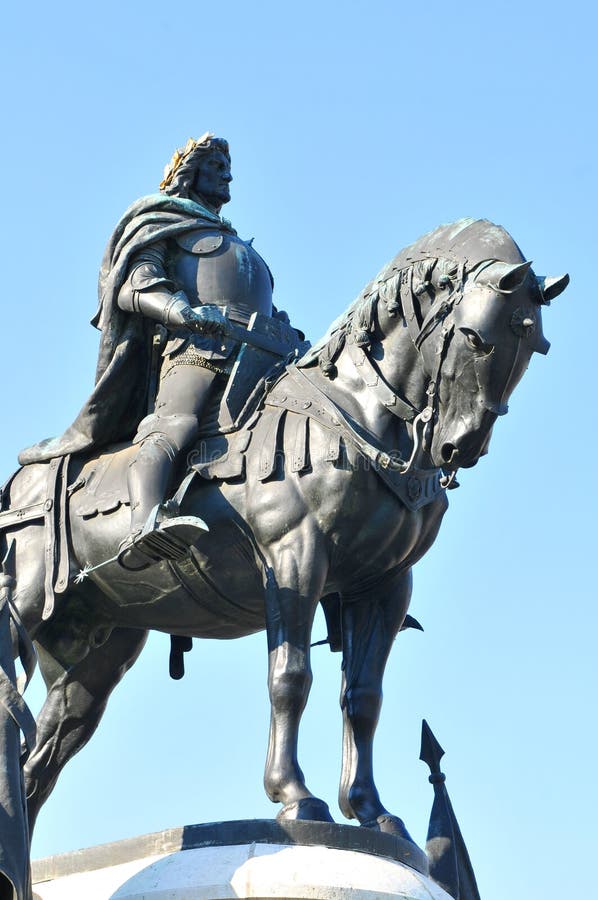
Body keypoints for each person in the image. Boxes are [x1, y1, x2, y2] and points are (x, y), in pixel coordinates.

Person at [19, 133, 283, 563]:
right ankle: (145, 524)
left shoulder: (235, 242)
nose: (228, 175)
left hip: (260, 353)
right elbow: (133, 286)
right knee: (175, 424)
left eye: (227, 167)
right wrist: (184, 312)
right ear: (188, 171)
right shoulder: (161, 221)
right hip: (197, 347)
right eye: (216, 167)